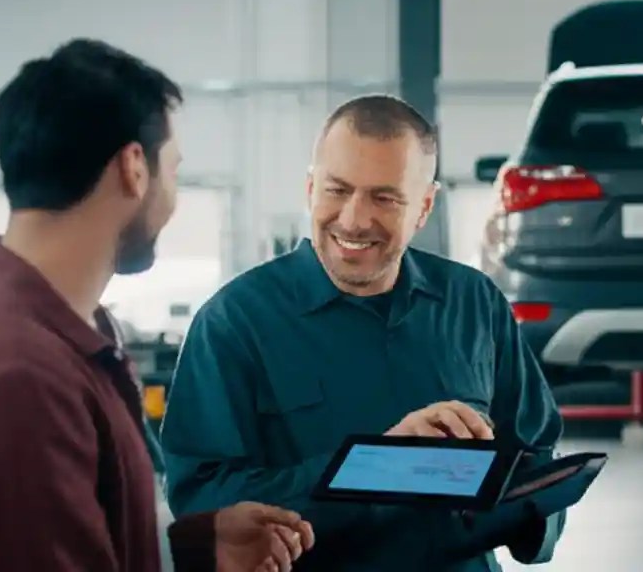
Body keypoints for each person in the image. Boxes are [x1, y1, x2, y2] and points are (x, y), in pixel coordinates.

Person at [0, 39, 315, 572]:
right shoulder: (11, 373)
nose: (174, 198)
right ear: (134, 167)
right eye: (173, 172)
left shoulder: (59, 332)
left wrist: (194, 548)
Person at [159, 95, 567, 571]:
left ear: (424, 207)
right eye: (336, 190)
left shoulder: (474, 303)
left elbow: (536, 453)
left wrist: (531, 517)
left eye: (384, 197)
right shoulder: (233, 324)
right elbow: (202, 501)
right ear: (310, 187)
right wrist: (382, 467)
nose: (353, 219)